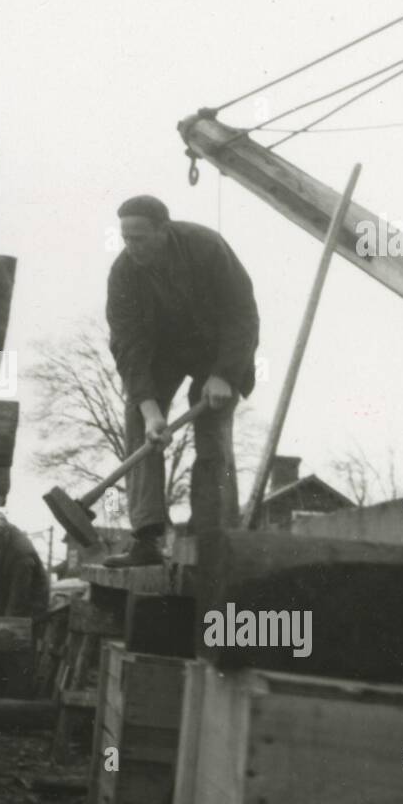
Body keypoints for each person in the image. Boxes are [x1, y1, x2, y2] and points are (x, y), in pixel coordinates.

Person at [103, 194, 259, 567]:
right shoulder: (123, 272)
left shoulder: (206, 248)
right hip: (163, 353)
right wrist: (151, 409)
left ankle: (214, 536)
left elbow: (242, 314)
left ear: (164, 230)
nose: (132, 246)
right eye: (125, 238)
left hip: (217, 351)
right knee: (140, 420)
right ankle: (146, 539)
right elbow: (127, 345)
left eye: (139, 238)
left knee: (212, 430)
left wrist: (223, 375)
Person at [0, 511, 50, 616]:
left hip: (30, 609)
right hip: (5, 600)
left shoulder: (22, 554)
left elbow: (18, 597)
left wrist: (6, 623)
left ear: (3, 536)